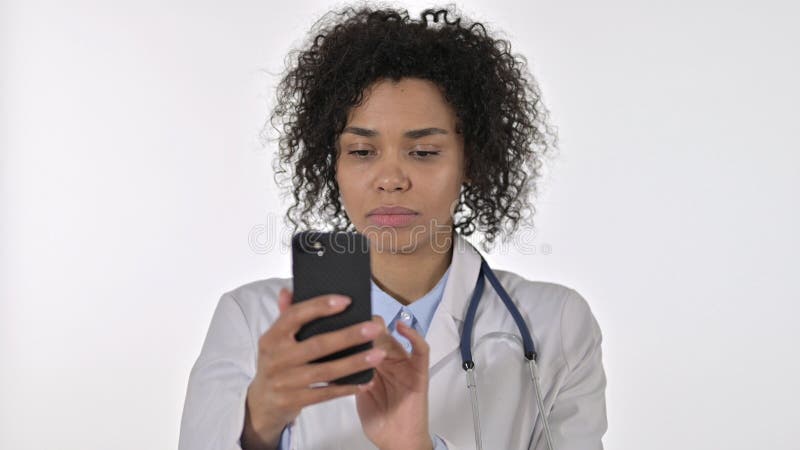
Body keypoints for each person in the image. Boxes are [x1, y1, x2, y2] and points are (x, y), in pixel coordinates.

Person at [178, 5, 606, 450]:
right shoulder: (252, 321)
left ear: (471, 162)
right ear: (335, 165)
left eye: (423, 152)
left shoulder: (555, 325)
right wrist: (257, 425)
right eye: (362, 151)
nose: (391, 178)